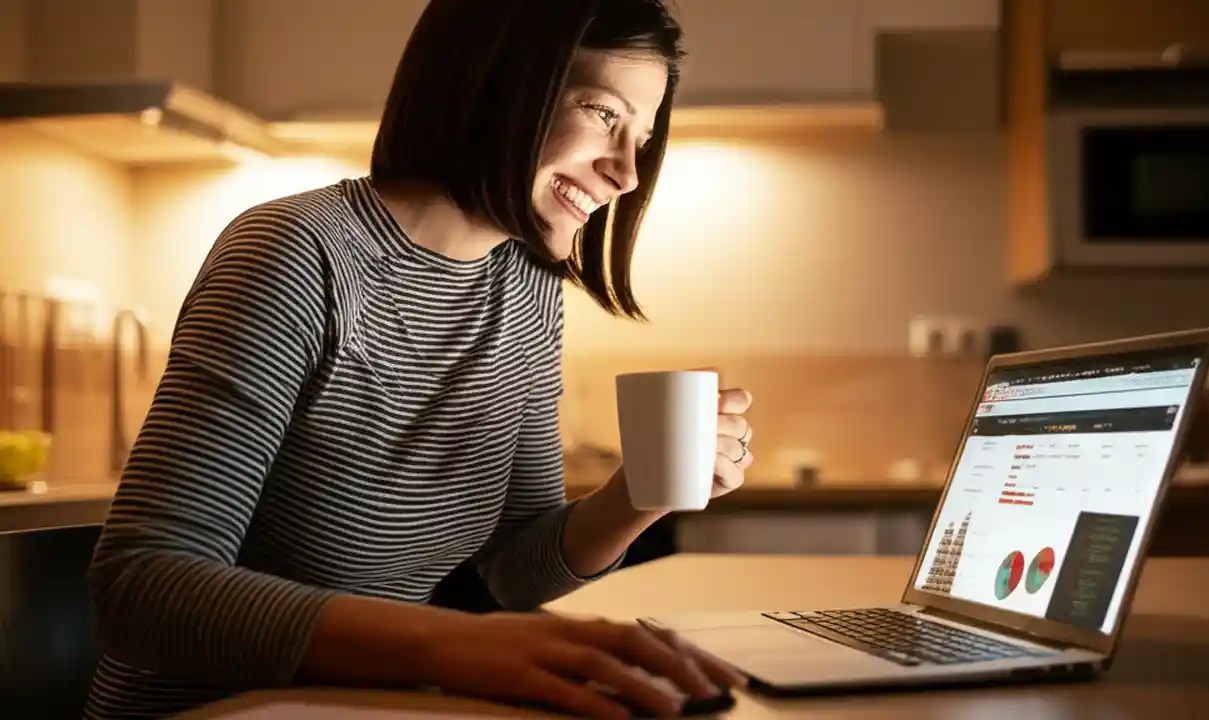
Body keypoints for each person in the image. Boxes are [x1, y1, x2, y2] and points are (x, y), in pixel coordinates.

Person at [81, 1, 757, 719]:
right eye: (602, 112)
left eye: (641, 138)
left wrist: (640, 495)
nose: (626, 173)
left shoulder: (525, 288)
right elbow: (141, 587)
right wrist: (451, 647)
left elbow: (511, 573)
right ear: (494, 82)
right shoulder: (298, 253)